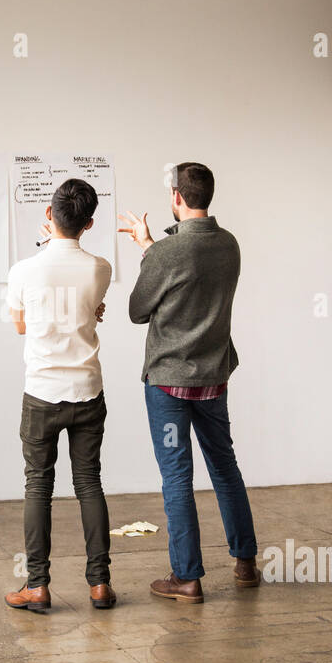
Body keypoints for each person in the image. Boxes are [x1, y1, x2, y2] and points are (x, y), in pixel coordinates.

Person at [117, 162, 258, 604]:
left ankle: (187, 577)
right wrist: (152, 247)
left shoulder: (166, 252)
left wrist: (148, 249)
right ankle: (245, 563)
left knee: (177, 476)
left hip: (168, 383)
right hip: (213, 378)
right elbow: (191, 279)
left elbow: (139, 310)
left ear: (176, 197)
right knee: (224, 467)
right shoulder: (229, 245)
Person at [4, 178, 114, 612]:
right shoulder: (100, 268)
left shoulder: (23, 270)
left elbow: (20, 325)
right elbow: (92, 311)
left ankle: (37, 585)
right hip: (88, 390)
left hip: (42, 393)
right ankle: (100, 584)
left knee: (38, 486)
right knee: (89, 483)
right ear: (89, 224)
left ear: (49, 215)